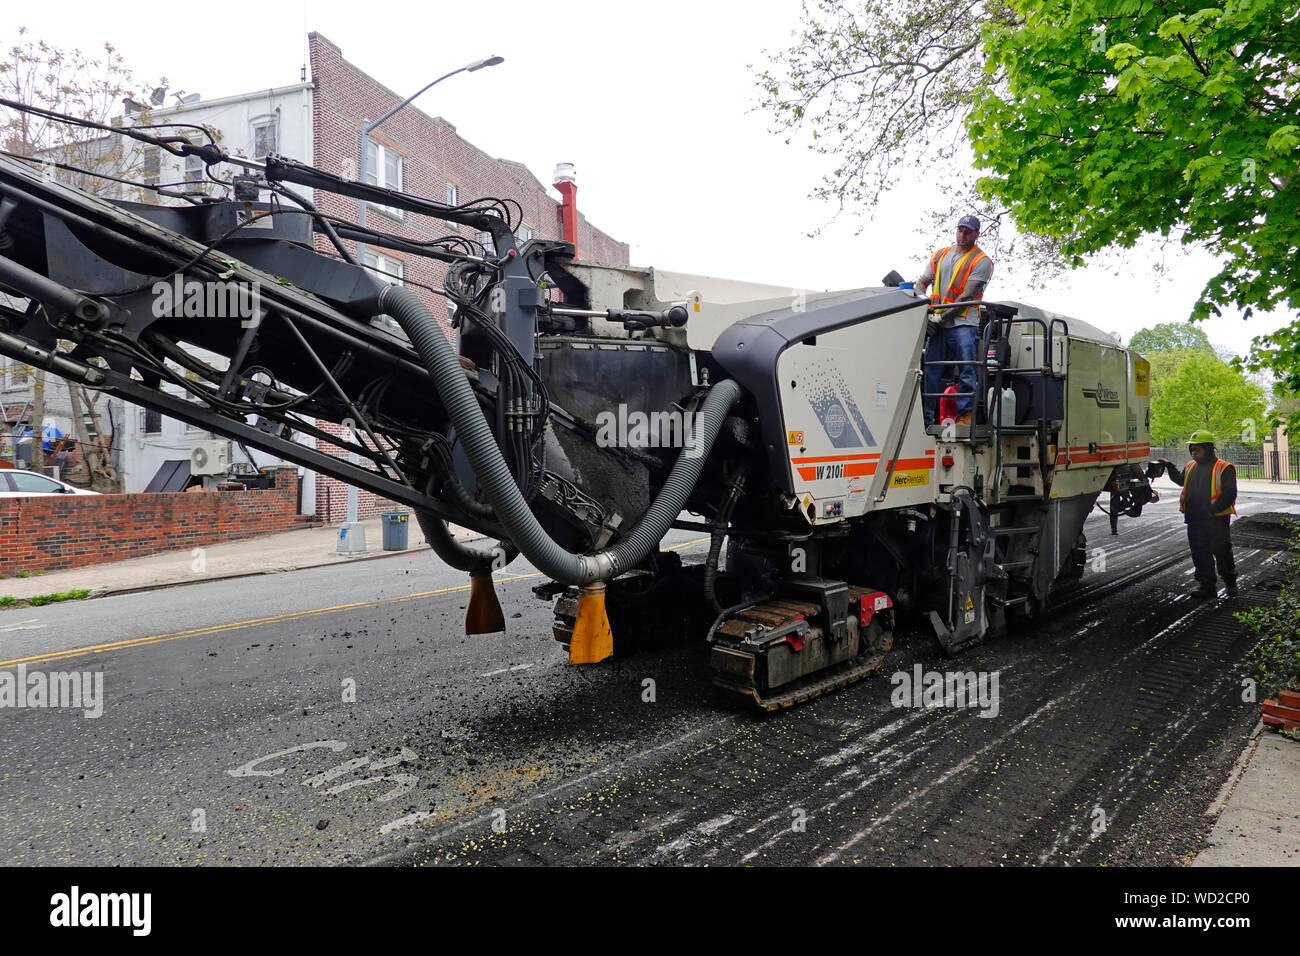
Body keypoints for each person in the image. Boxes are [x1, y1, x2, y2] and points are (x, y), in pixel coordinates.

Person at [916, 215, 994, 427]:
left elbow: (966, 297)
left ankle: (964, 416)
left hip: (963, 323)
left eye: (967, 231)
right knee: (931, 368)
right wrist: (924, 309)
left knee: (967, 369)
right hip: (938, 322)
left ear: (976, 234)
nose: (962, 234)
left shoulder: (981, 261)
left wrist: (938, 316)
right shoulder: (940, 255)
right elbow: (922, 283)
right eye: (960, 230)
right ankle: (927, 417)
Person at [1159, 430, 1237, 599]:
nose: (1194, 453)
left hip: (1216, 520)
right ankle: (1207, 587)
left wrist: (1212, 510)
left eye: (1198, 449)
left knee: (1222, 552)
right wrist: (1169, 466)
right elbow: (1181, 480)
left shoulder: (1224, 468)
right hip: (1194, 519)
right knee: (1200, 555)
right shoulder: (1190, 466)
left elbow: (1230, 494)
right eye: (1192, 450)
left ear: (1208, 449)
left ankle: (1230, 583)